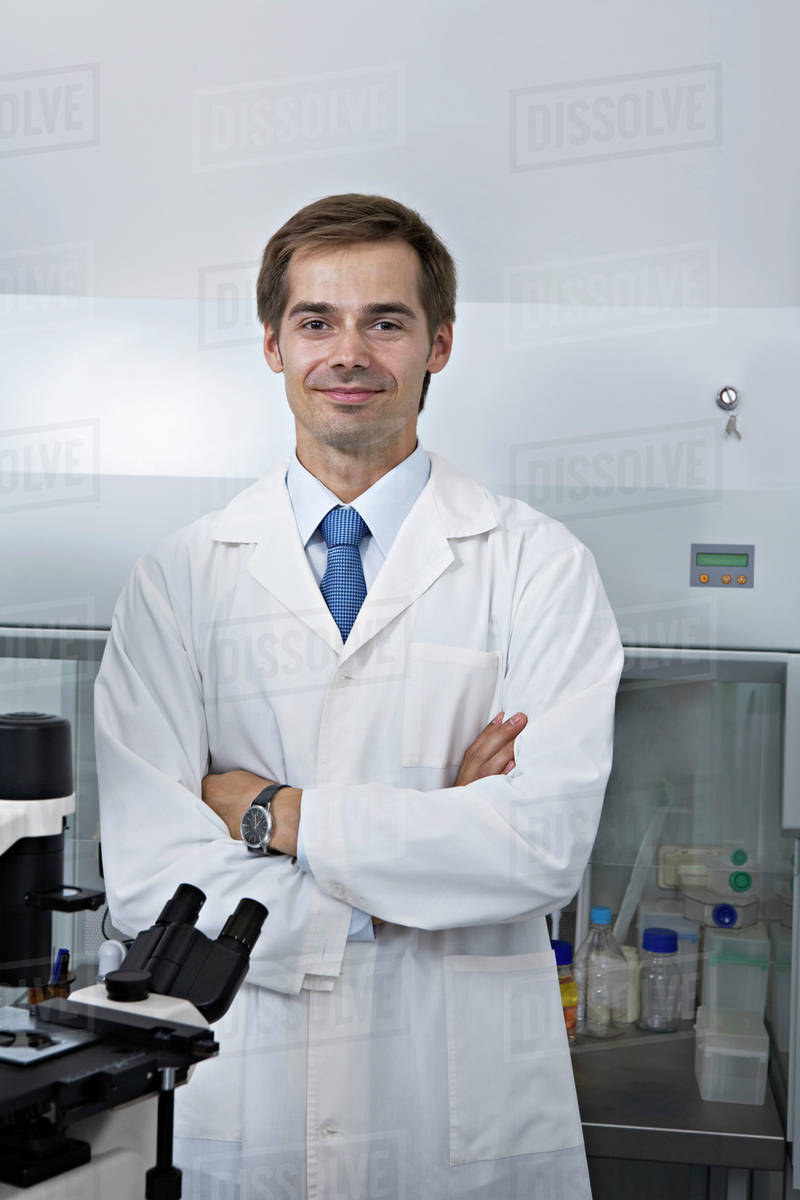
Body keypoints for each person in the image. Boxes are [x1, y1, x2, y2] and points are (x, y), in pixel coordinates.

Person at [95, 193, 623, 1199]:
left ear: (439, 344)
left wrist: (267, 813)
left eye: (385, 321)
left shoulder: (537, 567)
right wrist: (432, 850)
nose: (349, 352)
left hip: (458, 1105)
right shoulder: (180, 578)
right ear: (270, 346)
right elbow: (155, 885)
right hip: (243, 1093)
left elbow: (539, 848)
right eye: (315, 322)